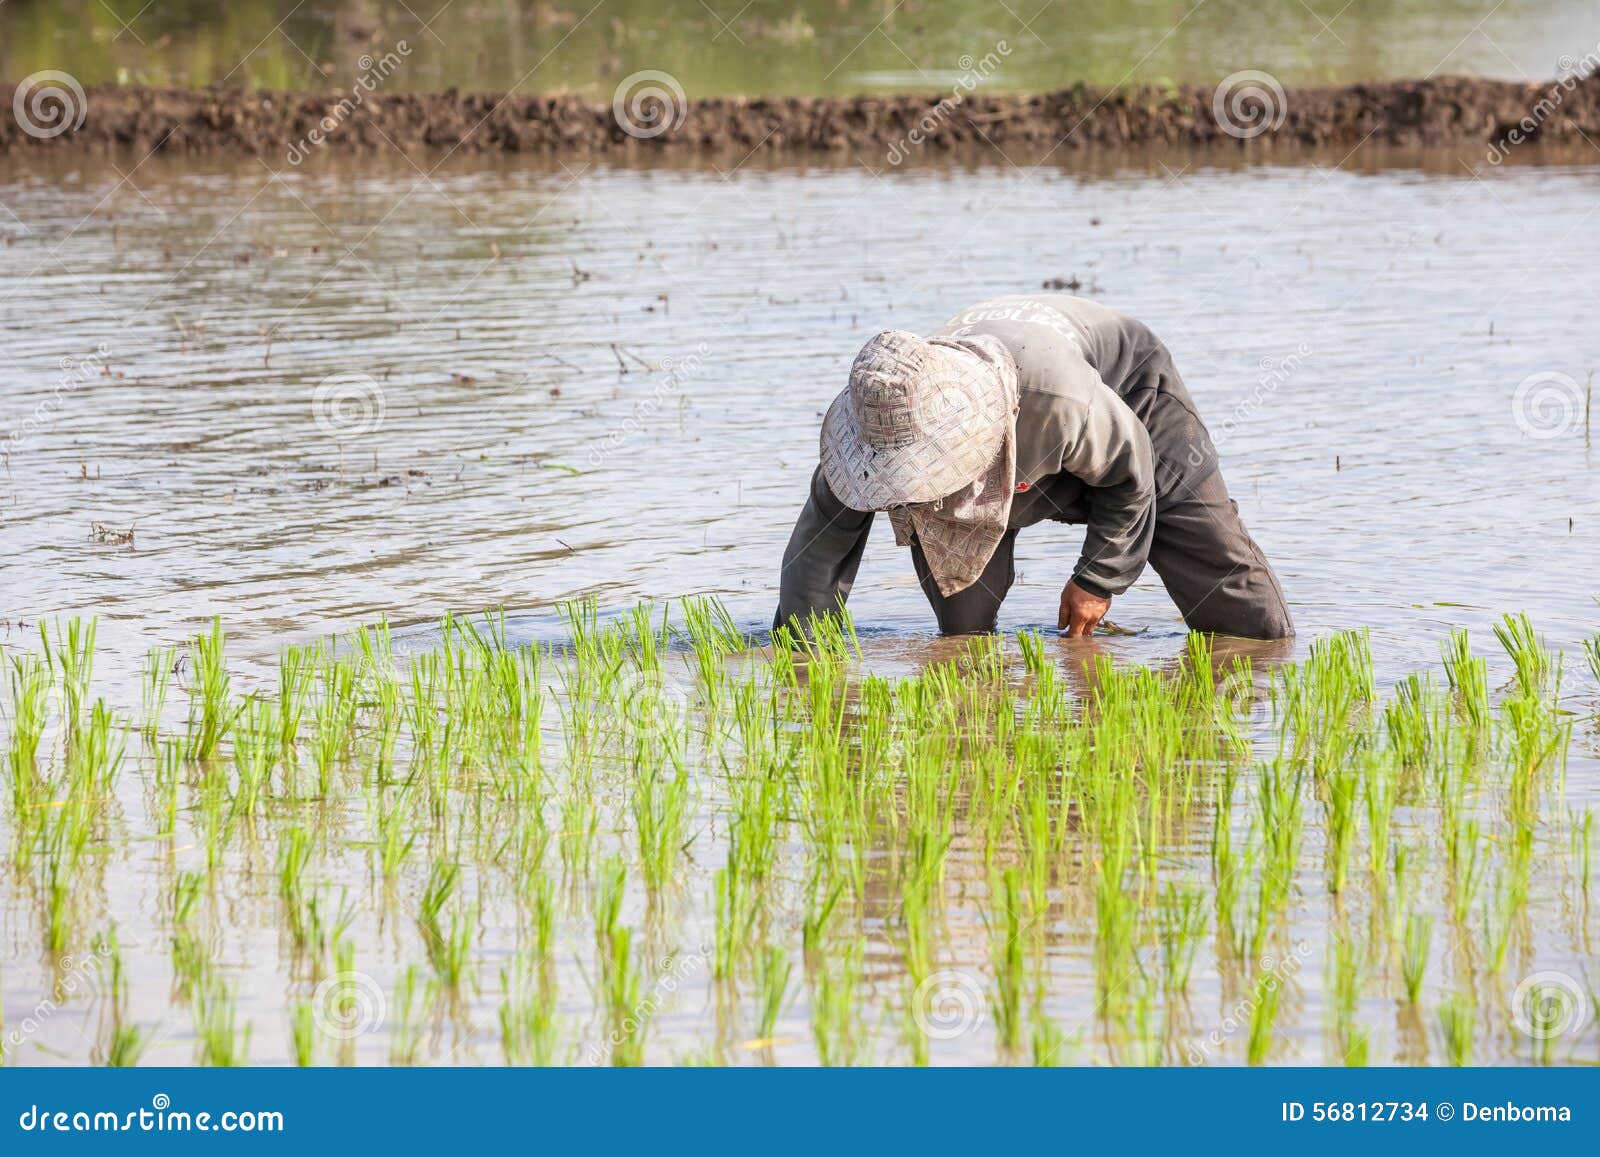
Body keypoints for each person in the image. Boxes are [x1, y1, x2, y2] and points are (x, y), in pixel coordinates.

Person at [774, 294, 1293, 639]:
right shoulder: (876, 423)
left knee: (1234, 607)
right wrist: (804, 660)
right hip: (1014, 422)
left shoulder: (1060, 400)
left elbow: (1132, 475)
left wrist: (1097, 579)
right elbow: (816, 557)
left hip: (1125, 395)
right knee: (963, 633)